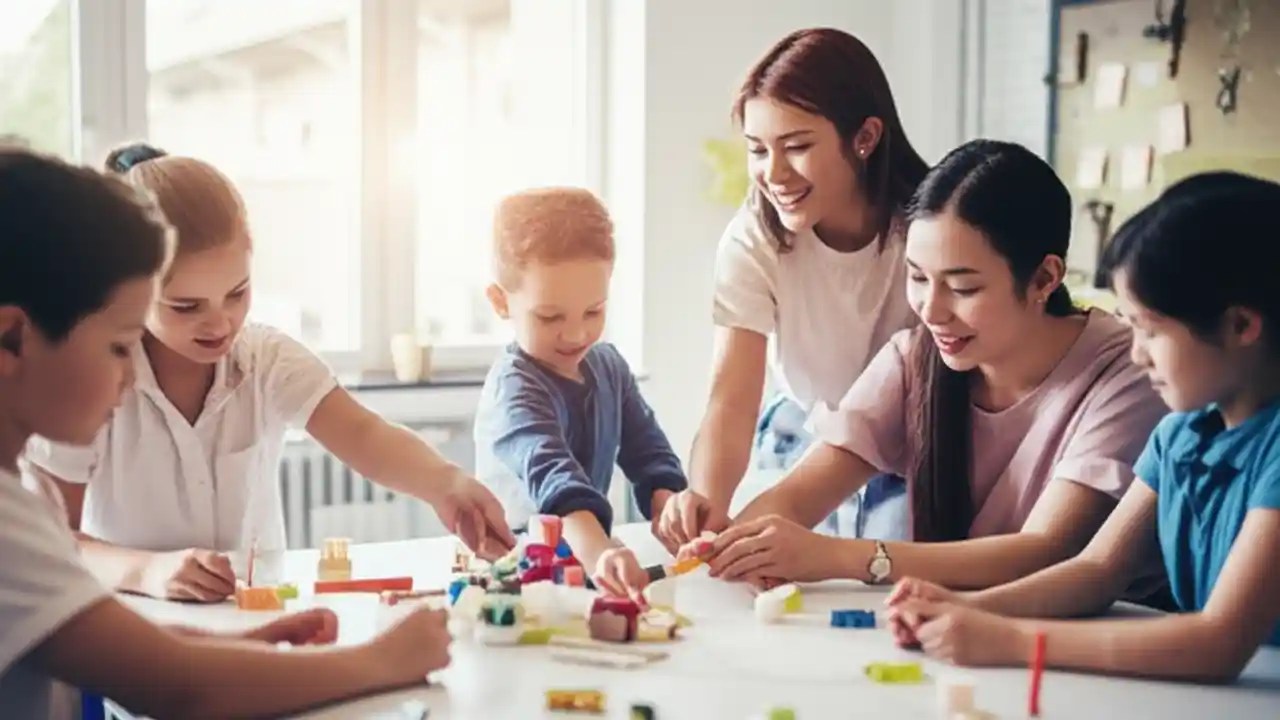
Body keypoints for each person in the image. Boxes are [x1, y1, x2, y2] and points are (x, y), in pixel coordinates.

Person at [0, 148, 452, 719]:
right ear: (12, 340)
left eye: (237, 294)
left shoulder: (21, 504)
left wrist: (242, 648)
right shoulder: (9, 528)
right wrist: (383, 661)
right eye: (118, 346)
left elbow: (134, 653)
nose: (128, 377)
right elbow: (176, 688)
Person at [24, 144, 514, 603]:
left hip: (253, 617)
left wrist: (446, 483)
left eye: (237, 293)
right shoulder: (89, 382)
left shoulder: (267, 358)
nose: (220, 323)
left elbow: (363, 434)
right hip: (131, 627)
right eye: (187, 306)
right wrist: (147, 571)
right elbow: (52, 541)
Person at [703, 140, 1167, 593]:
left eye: (963, 289)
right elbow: (797, 496)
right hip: (964, 625)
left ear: (1044, 278)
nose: (931, 309)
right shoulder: (913, 358)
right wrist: (733, 545)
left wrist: (837, 556)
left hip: (1107, 631)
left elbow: (1047, 549)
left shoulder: (1128, 369)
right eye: (918, 277)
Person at [886, 172, 1280, 682]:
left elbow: (1217, 643)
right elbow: (1097, 571)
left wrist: (1011, 640)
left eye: (1151, 331)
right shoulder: (1182, 434)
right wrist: (966, 606)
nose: (1137, 355)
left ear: (1241, 325)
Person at [657, 27, 929, 548]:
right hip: (802, 428)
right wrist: (706, 500)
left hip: (908, 439)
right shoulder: (754, 238)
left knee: (884, 554)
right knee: (757, 560)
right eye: (757, 150)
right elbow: (731, 397)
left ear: (865, 137)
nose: (774, 173)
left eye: (797, 147)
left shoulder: (928, 228)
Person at [474, 187, 689, 599]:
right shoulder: (514, 389)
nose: (576, 334)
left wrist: (671, 510)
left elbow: (649, 454)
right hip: (517, 579)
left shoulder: (609, 367)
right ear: (501, 302)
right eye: (550, 316)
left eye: (594, 311)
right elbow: (555, 479)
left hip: (586, 564)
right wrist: (601, 552)